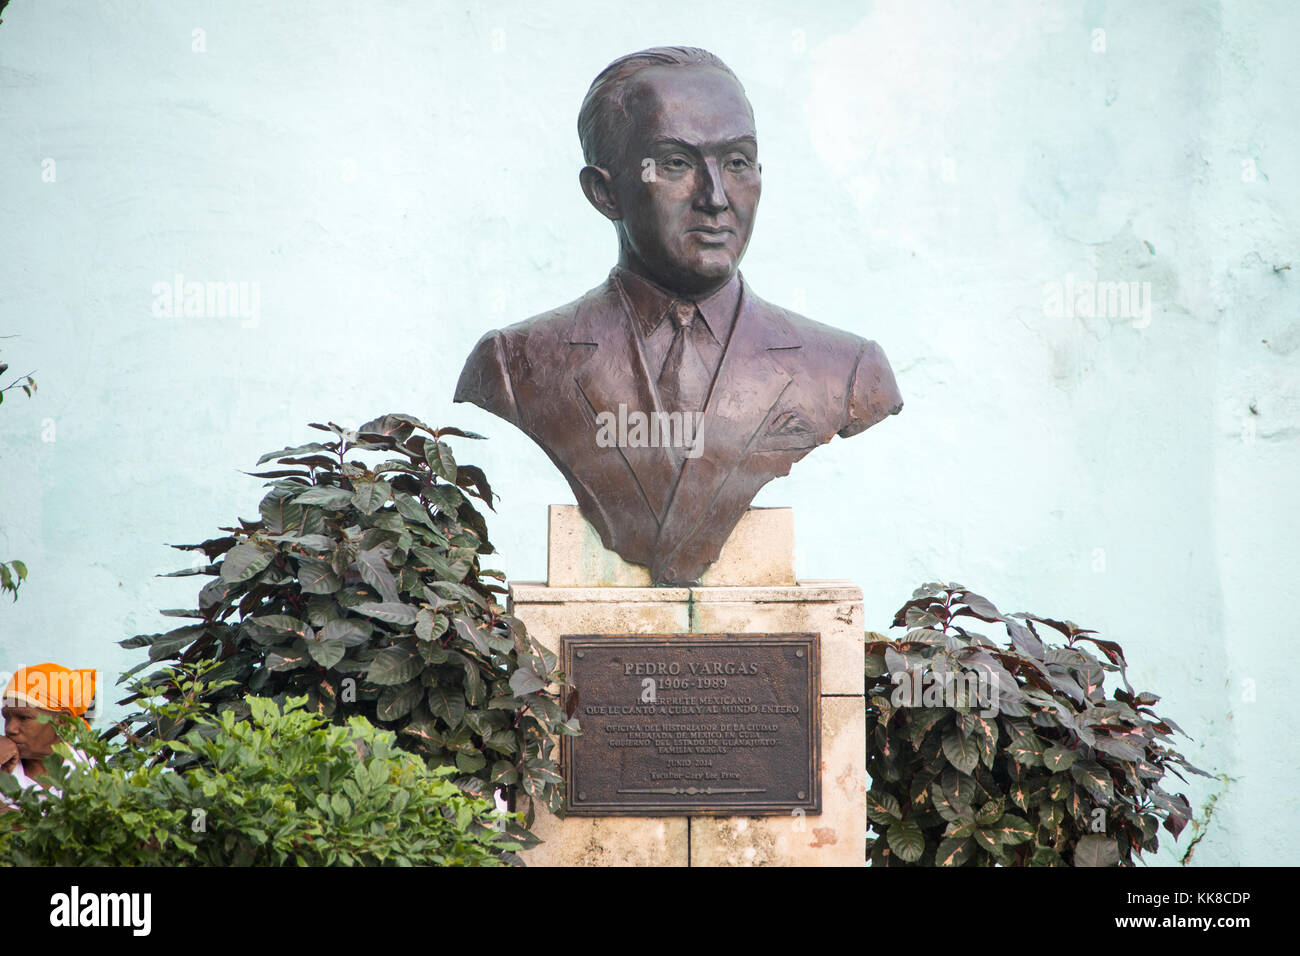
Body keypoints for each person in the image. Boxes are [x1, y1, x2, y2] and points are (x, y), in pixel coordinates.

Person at [455, 47, 902, 585]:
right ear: (604, 192)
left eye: (737, 162)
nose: (716, 197)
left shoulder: (846, 372)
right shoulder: (516, 363)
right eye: (676, 163)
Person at [1, 662, 96, 801]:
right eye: (6, 716)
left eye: (24, 718)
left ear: (63, 721)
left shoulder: (94, 769)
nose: (10, 728)